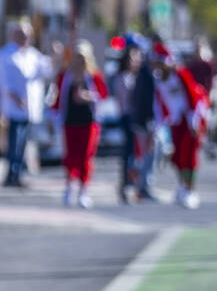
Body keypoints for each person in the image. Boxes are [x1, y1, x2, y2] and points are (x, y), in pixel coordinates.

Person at [0, 18, 53, 187]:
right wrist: (15, 98)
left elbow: (46, 72)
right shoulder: (5, 54)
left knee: (23, 143)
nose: (25, 38)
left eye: (27, 35)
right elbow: (3, 81)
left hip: (30, 107)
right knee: (14, 141)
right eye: (21, 34)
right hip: (14, 107)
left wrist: (54, 56)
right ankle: (12, 173)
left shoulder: (33, 55)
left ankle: (17, 172)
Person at [49, 41, 109, 208]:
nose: (79, 60)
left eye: (82, 57)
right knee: (70, 156)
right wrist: (52, 118)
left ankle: (84, 191)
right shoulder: (65, 76)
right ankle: (69, 188)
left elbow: (103, 95)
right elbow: (56, 98)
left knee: (86, 157)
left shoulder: (94, 75)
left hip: (89, 123)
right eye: (77, 56)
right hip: (69, 122)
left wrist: (88, 96)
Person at [149, 42, 208, 208]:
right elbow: (159, 105)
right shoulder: (159, 80)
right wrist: (157, 126)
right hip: (176, 122)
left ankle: (190, 190)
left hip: (191, 119)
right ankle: (182, 186)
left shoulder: (180, 73)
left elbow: (192, 97)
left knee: (189, 156)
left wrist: (194, 121)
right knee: (177, 158)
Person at [113, 42, 144, 204]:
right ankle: (127, 184)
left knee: (138, 154)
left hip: (137, 117)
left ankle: (135, 184)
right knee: (129, 154)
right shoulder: (123, 78)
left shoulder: (139, 77)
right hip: (128, 117)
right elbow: (124, 100)